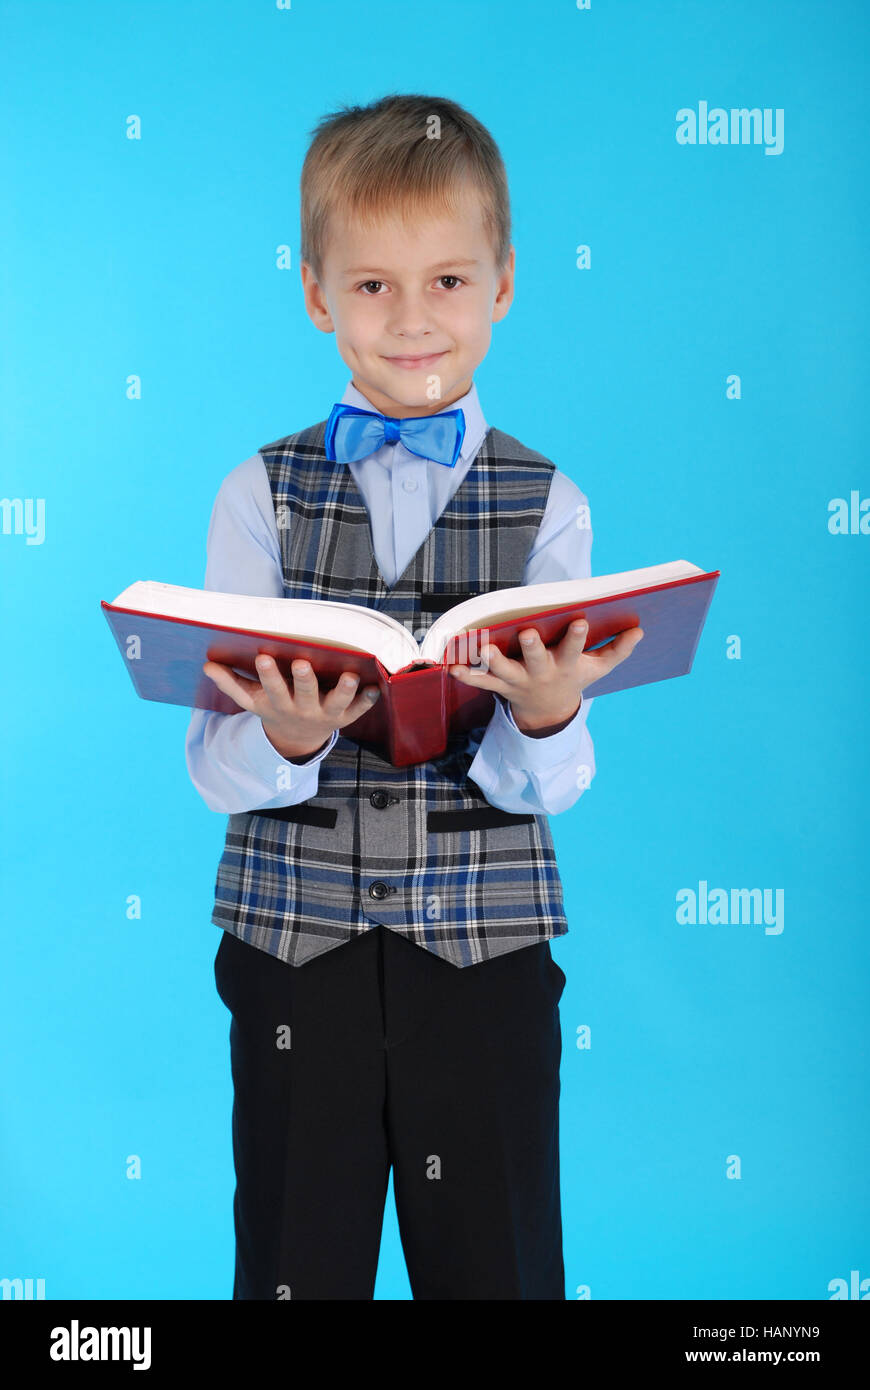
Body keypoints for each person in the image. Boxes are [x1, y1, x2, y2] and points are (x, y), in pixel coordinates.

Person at [185, 92, 643, 1301]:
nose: (411, 318)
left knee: (496, 1266)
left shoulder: (552, 504)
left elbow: (559, 779)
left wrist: (546, 712)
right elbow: (211, 757)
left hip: (481, 962)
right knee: (293, 1262)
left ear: (502, 285)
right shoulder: (256, 494)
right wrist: (280, 740)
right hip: (297, 957)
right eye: (373, 285)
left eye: (447, 280)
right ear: (315, 292)